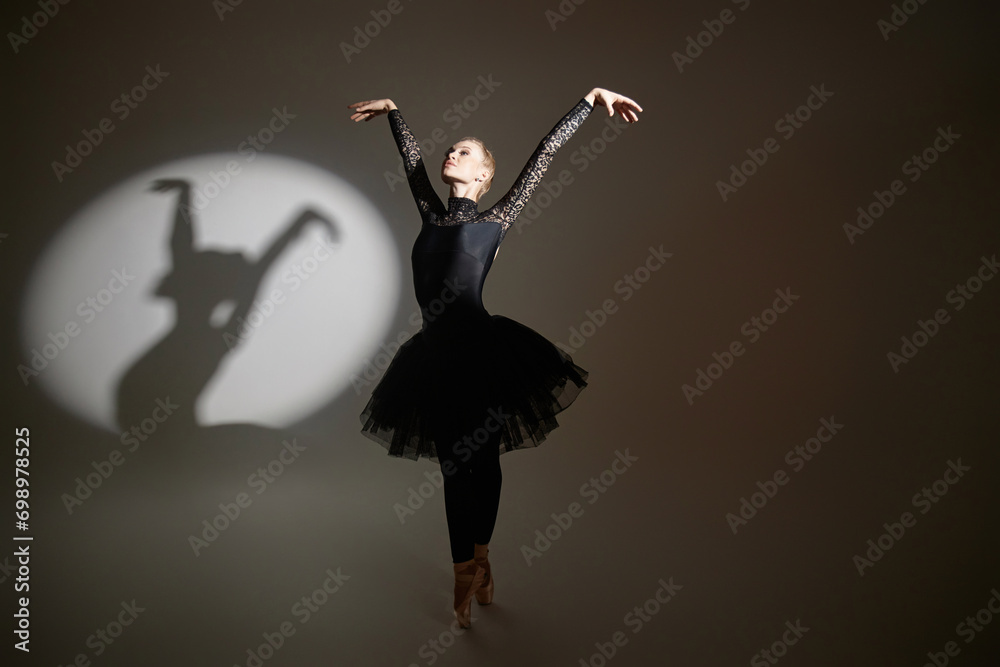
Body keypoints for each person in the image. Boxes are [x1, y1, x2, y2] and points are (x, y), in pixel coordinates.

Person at [348, 87, 642, 627]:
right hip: (433, 360)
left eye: (465, 152)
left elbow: (544, 154)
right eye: (450, 151)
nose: (450, 155)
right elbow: (412, 165)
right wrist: (395, 113)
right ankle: (465, 570)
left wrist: (589, 100)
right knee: (454, 470)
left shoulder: (496, 220)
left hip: (483, 354)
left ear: (484, 176)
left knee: (480, 466)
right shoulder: (430, 216)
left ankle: (481, 557)